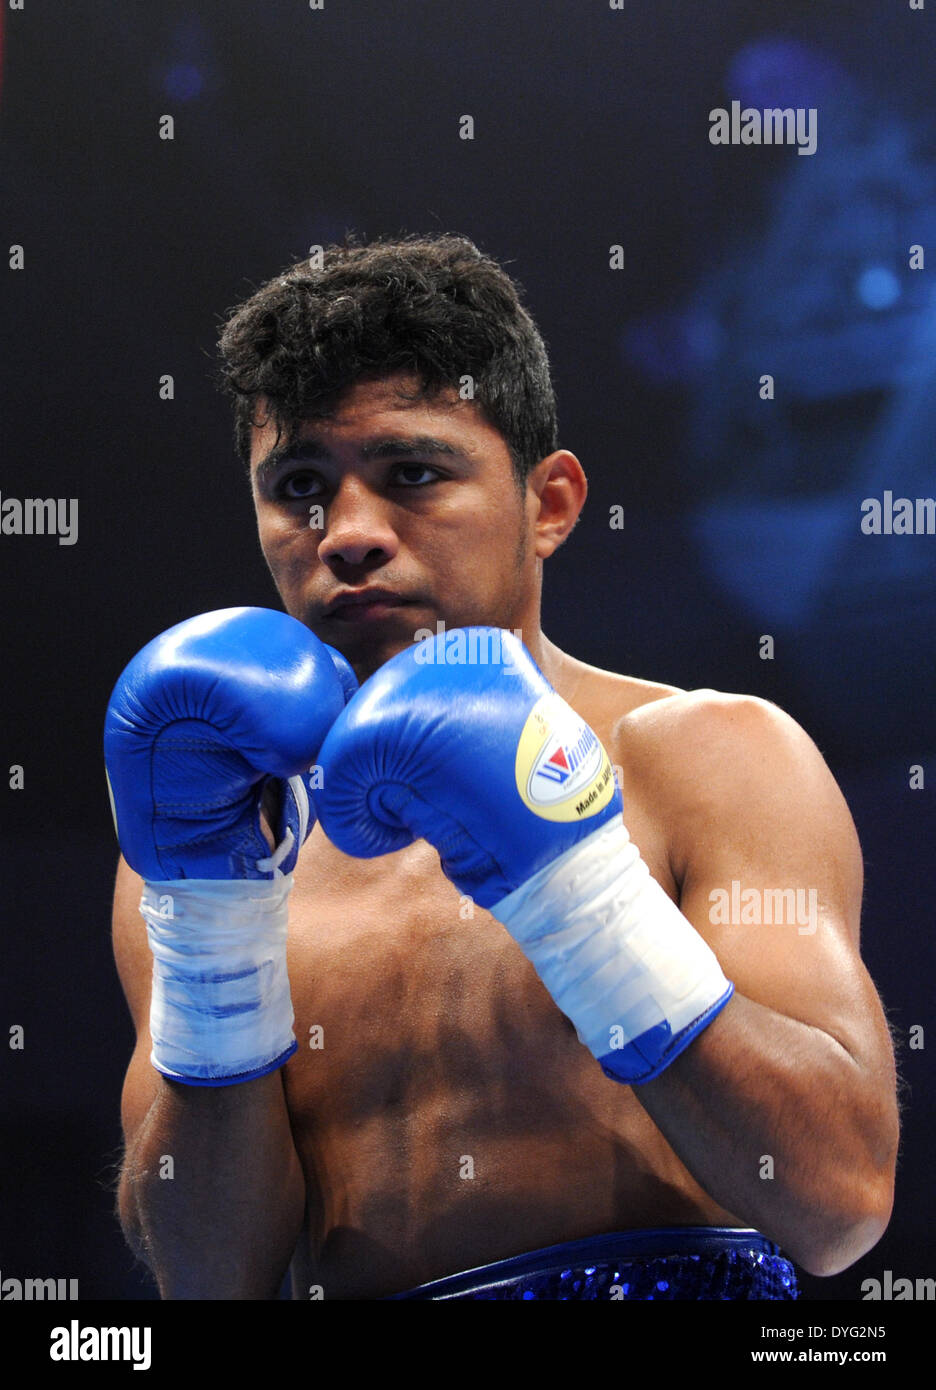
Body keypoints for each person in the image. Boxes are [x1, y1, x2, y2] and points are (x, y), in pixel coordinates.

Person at [106, 234, 899, 1300]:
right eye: (300, 484)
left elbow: (838, 1200)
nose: (347, 532)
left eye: (413, 472)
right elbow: (208, 1279)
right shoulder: (222, 833)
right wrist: (213, 918)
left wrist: (577, 887)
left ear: (551, 503)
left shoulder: (708, 755)